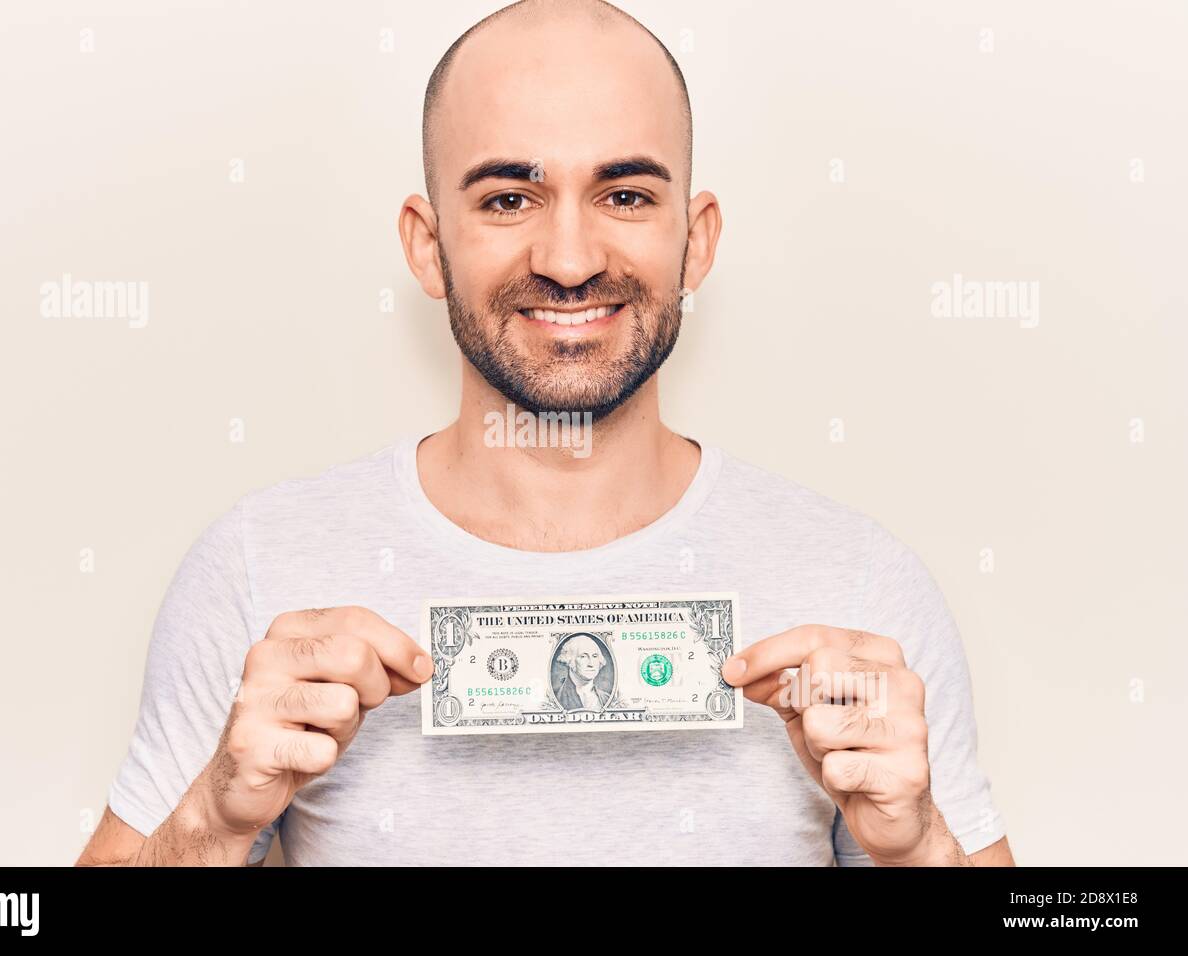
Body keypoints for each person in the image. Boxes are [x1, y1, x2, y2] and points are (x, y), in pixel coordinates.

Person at [78, 0, 1013, 866]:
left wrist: (919, 847)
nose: (569, 261)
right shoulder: (259, 568)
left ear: (697, 241)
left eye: (626, 195)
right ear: (425, 242)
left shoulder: (858, 583)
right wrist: (215, 818)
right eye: (508, 199)